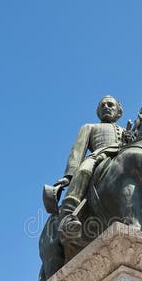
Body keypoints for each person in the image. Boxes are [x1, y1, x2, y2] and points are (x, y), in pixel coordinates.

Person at [52, 96, 125, 242]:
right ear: (98, 111)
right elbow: (77, 152)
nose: (106, 107)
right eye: (102, 105)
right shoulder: (90, 127)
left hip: (121, 161)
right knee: (84, 170)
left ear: (118, 111)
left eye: (110, 105)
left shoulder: (125, 130)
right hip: (98, 157)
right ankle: (68, 215)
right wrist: (69, 176)